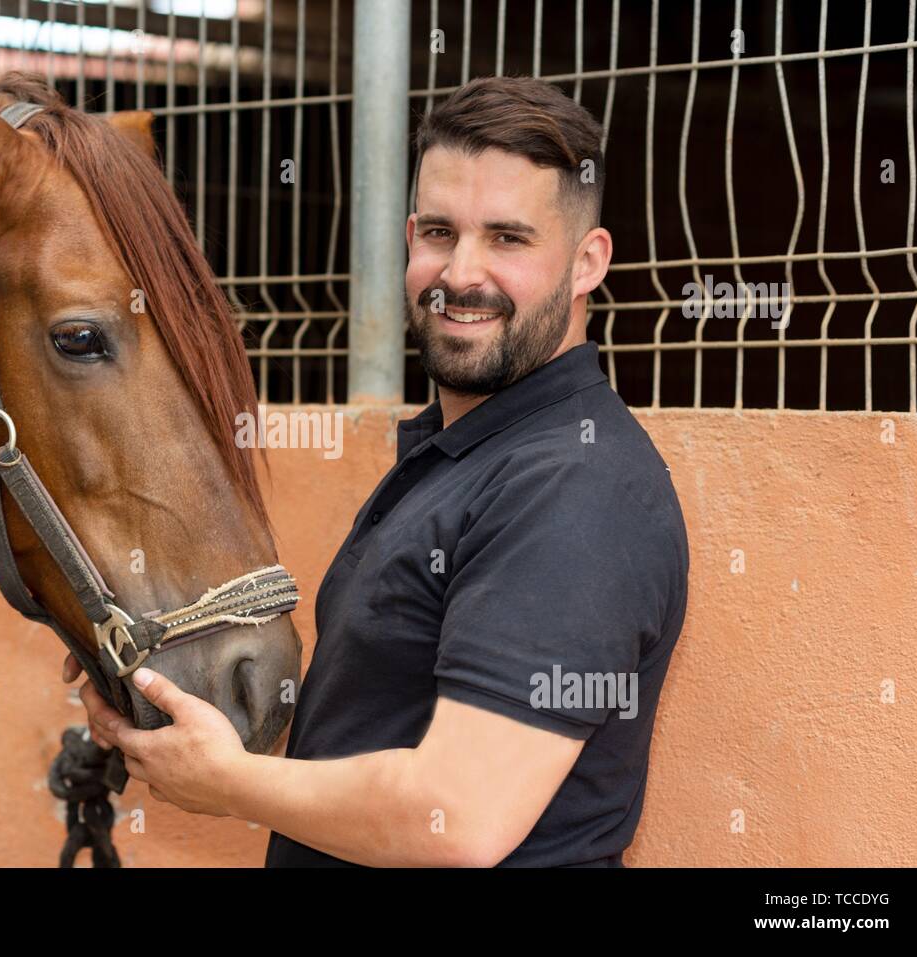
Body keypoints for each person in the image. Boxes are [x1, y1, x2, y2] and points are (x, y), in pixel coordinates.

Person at [72, 76, 690, 867]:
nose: (461, 274)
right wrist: (163, 694)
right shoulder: (465, 455)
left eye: (508, 238)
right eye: (439, 232)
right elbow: (369, 727)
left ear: (585, 262)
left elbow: (459, 817)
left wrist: (227, 782)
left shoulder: (576, 486)